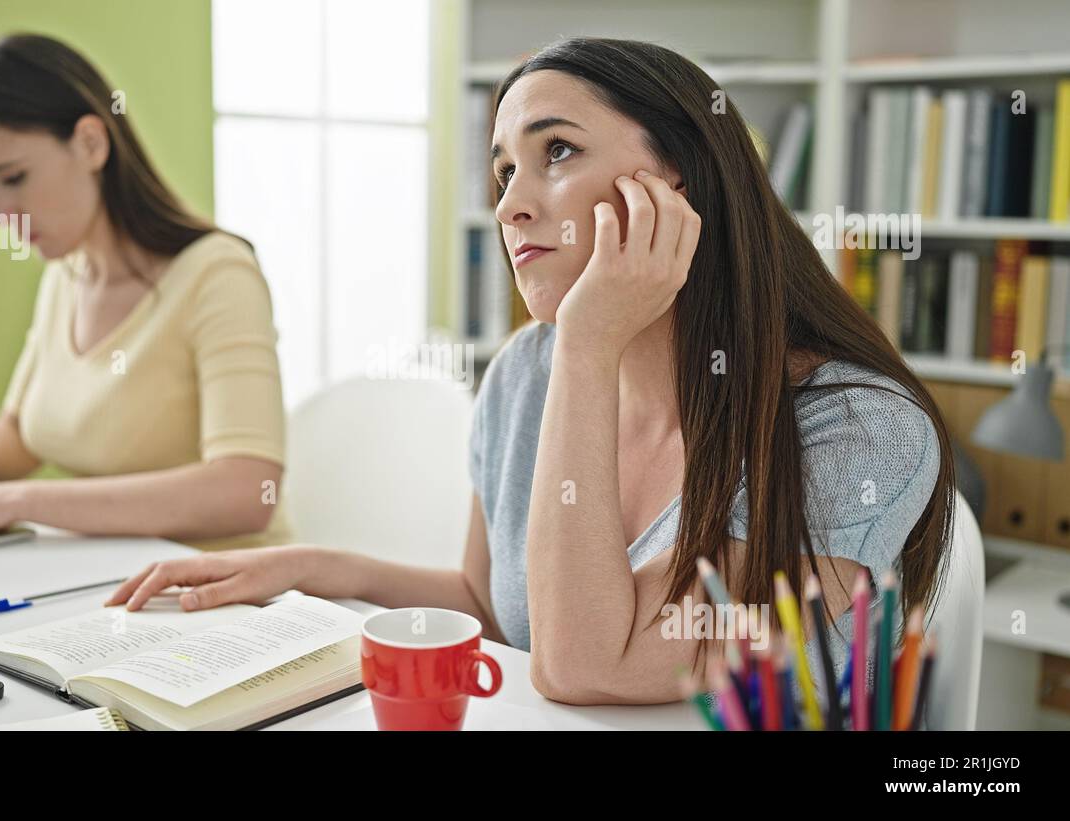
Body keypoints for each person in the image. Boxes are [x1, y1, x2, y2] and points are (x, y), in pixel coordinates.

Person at [106, 37, 954, 704]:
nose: (510, 201)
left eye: (557, 152)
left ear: (680, 181)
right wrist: (312, 568)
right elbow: (494, 599)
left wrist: (588, 344)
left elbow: (584, 661)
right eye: (505, 166)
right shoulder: (523, 373)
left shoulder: (861, 432)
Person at [0, 34, 289, 551]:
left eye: (13, 177)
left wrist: (6, 501)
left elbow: (247, 492)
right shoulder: (67, 273)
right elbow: (23, 433)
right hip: (109, 584)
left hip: (233, 603)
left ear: (91, 143)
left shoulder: (217, 275)